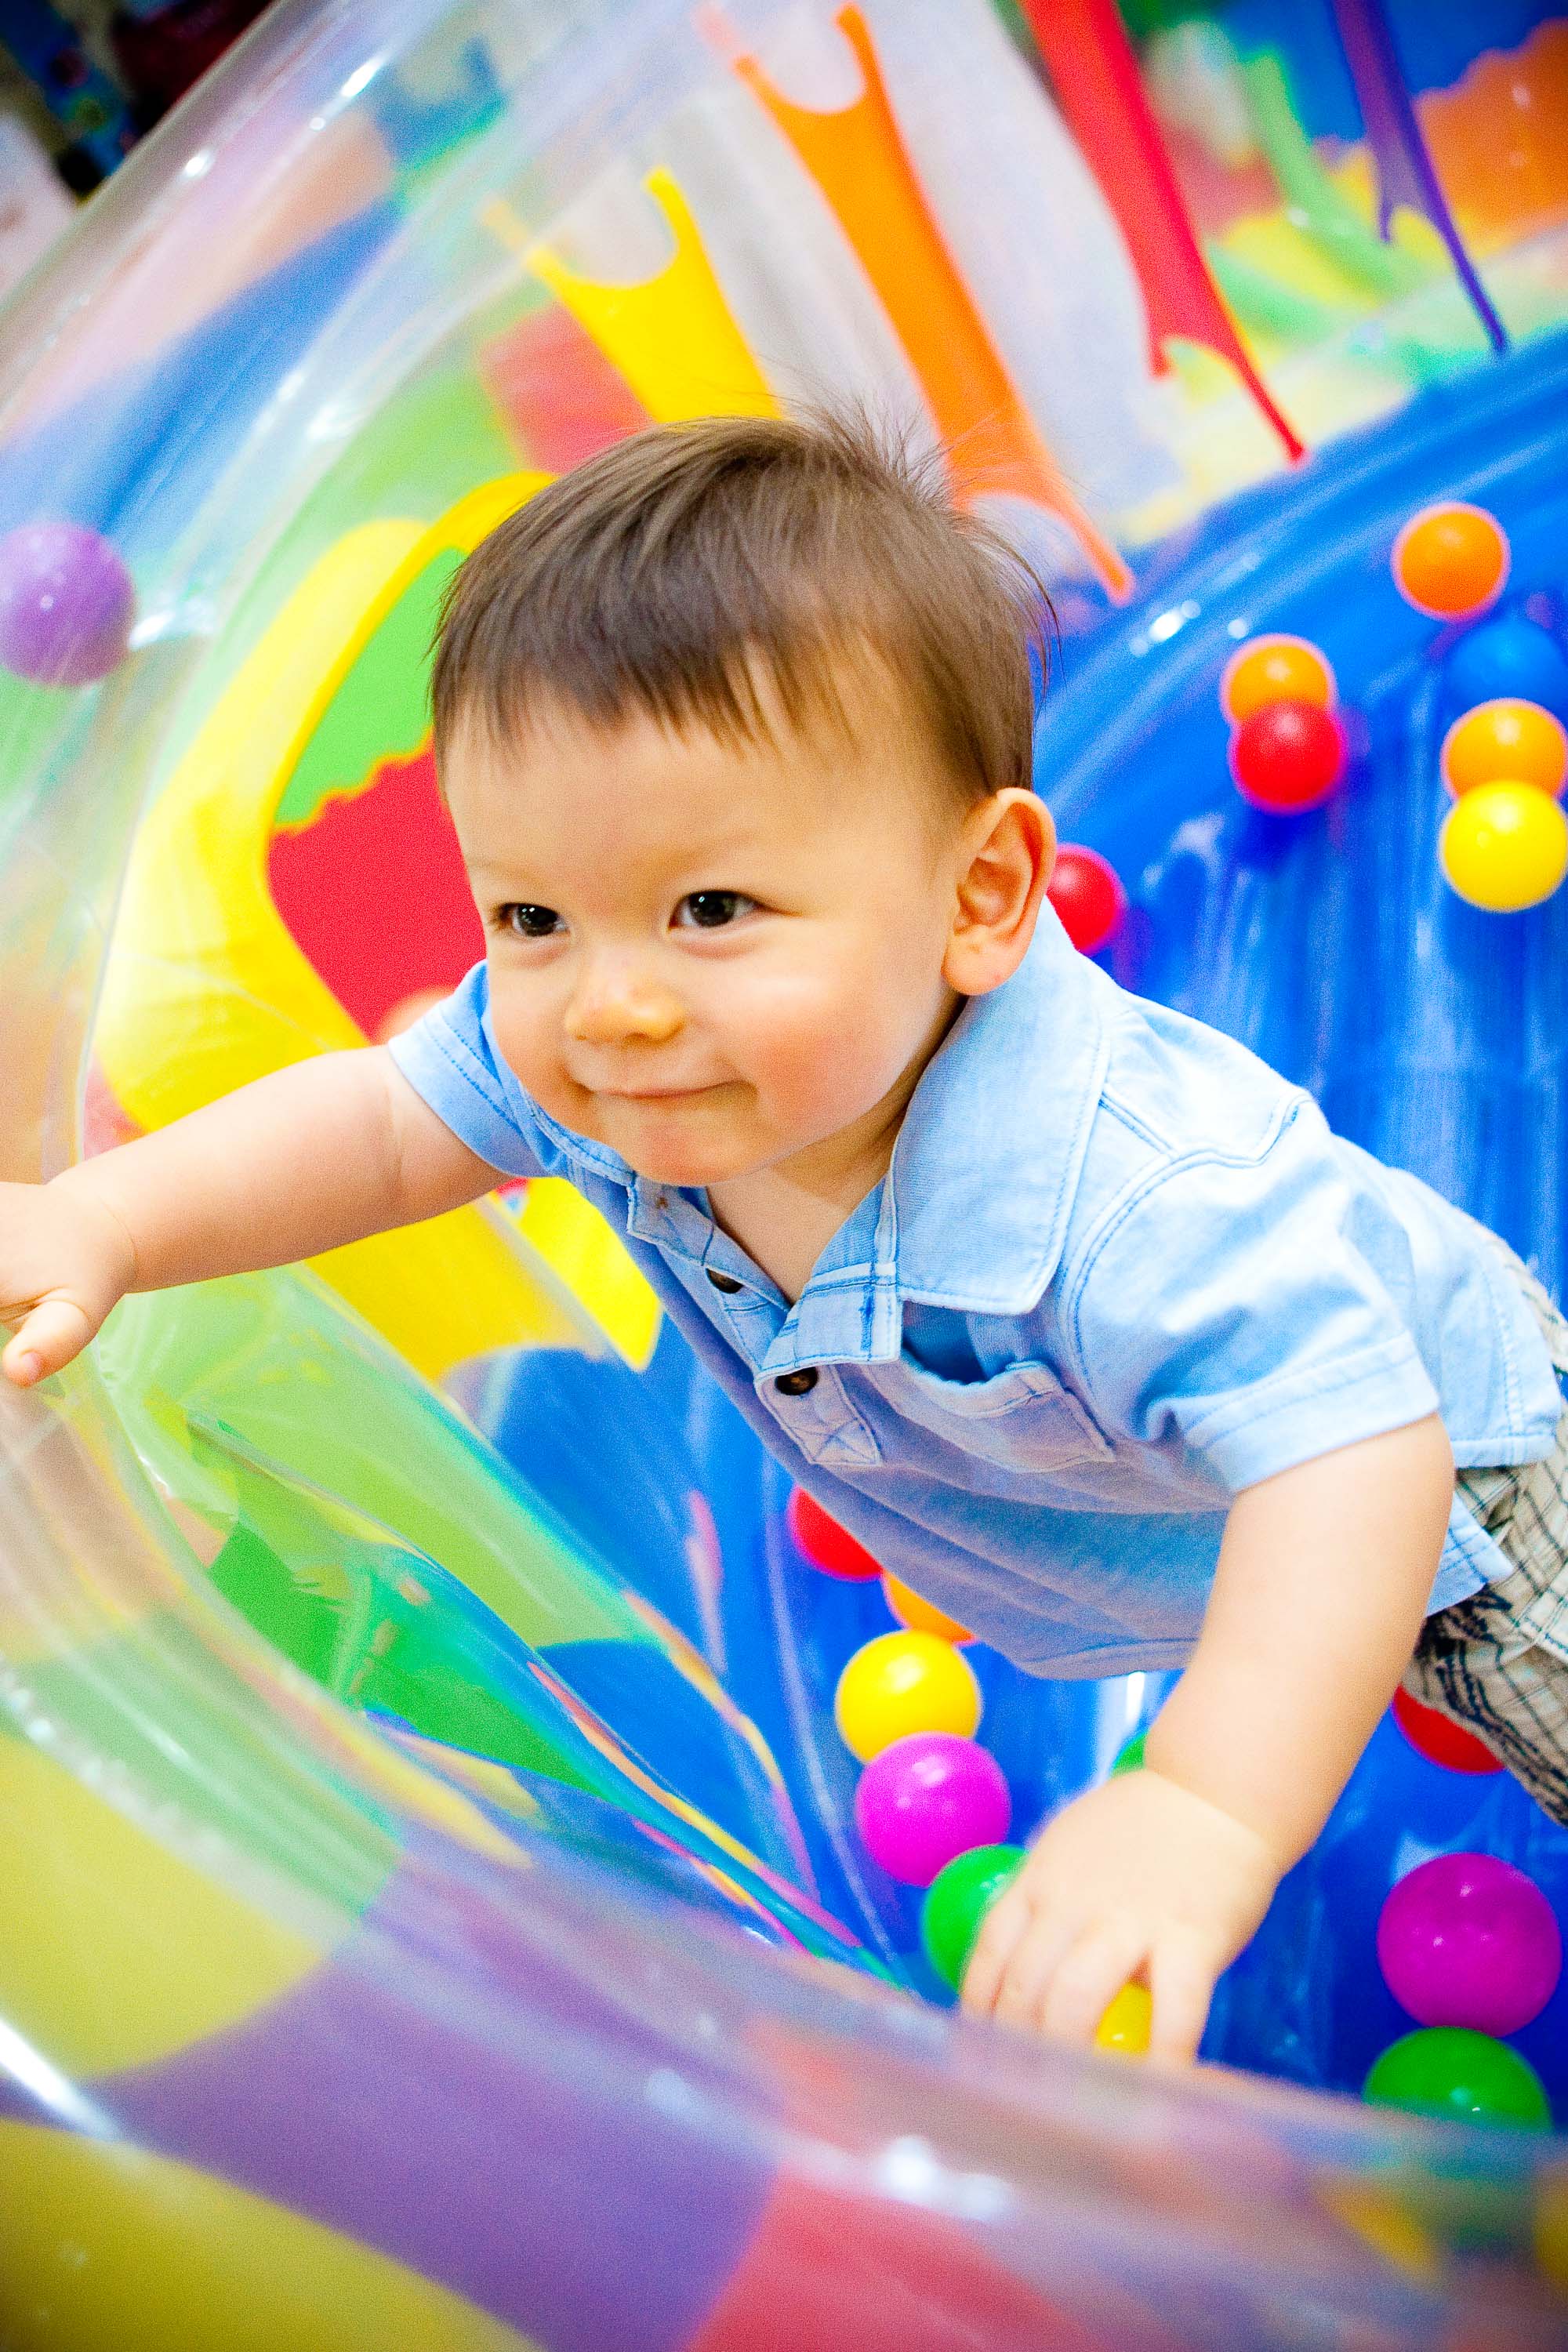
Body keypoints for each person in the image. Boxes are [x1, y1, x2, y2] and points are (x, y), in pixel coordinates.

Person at [4, 413, 1566, 2062]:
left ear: (979, 897)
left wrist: (1201, 1803)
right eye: (529, 915)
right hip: (1214, 1505)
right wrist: (104, 1218)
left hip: (1467, 1501)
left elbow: (1359, 1459)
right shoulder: (636, 1068)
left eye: (712, 910)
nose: (609, 1000)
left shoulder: (1128, 1207)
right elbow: (397, 1120)